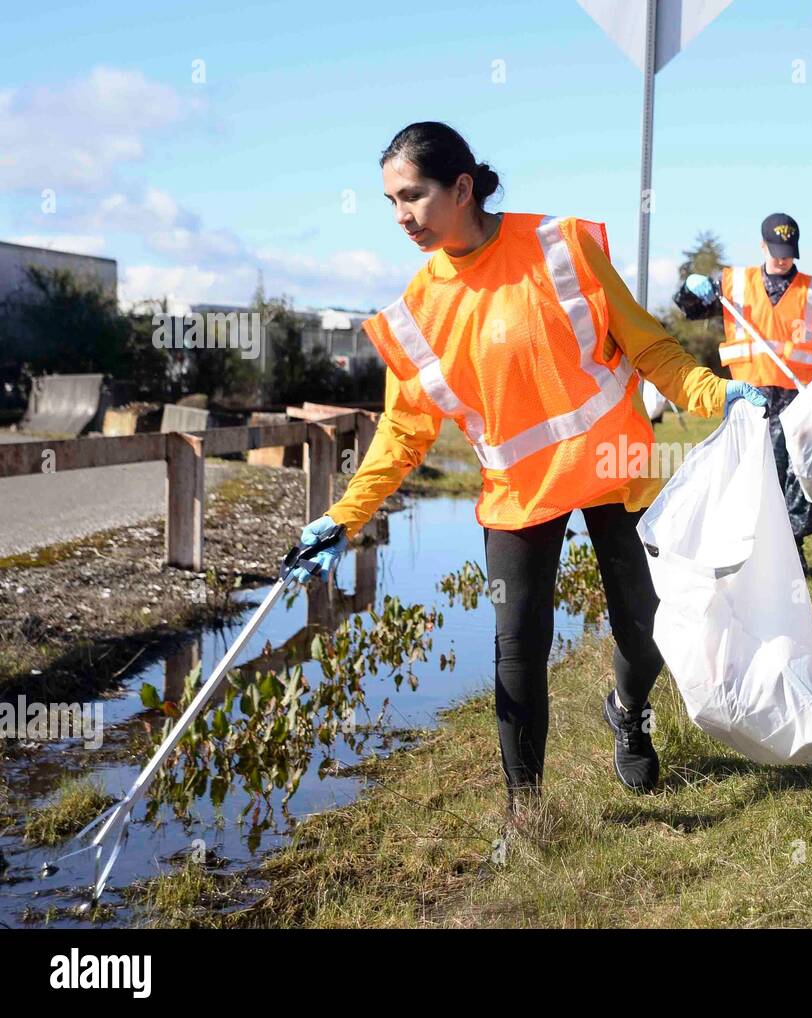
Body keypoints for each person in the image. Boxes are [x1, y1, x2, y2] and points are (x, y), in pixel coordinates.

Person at [290, 122, 767, 806]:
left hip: (615, 467)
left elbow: (647, 345)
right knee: (518, 646)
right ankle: (526, 817)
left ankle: (628, 713)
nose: (401, 216)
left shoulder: (562, 246)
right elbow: (402, 433)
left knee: (644, 625)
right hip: (518, 493)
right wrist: (343, 517)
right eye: (390, 202)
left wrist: (714, 393)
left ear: (461, 188)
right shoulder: (420, 309)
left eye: (413, 196)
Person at [672, 212, 812, 572]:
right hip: (749, 400)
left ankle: (792, 548)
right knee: (751, 478)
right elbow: (690, 309)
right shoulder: (734, 285)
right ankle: (750, 555)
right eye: (775, 250)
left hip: (798, 402)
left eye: (788, 252)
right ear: (761, 245)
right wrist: (689, 288)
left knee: (801, 474)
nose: (782, 258)